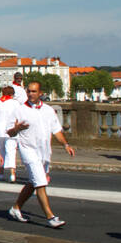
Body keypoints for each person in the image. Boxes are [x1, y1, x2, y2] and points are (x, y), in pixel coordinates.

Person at [6, 81, 74, 228]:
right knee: (40, 182)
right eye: (29, 91)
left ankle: (16, 208)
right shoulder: (19, 110)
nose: (31, 94)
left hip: (44, 153)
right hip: (28, 150)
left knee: (33, 182)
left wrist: (66, 145)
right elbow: (9, 132)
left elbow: (56, 130)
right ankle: (50, 217)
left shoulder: (49, 110)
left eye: (34, 91)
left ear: (40, 93)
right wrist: (17, 128)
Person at [0, 84, 22, 183]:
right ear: (12, 94)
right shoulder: (16, 104)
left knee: (0, 152)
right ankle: (12, 174)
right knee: (11, 152)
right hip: (11, 131)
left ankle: (0, 173)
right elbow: (19, 118)